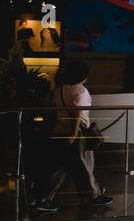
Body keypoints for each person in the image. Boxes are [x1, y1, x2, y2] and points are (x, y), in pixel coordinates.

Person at [32, 60, 111, 212]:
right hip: (76, 134)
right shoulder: (81, 91)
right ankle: (92, 197)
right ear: (84, 76)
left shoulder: (60, 90)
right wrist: (74, 134)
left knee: (59, 167)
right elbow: (78, 113)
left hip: (59, 131)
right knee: (85, 166)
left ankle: (42, 198)